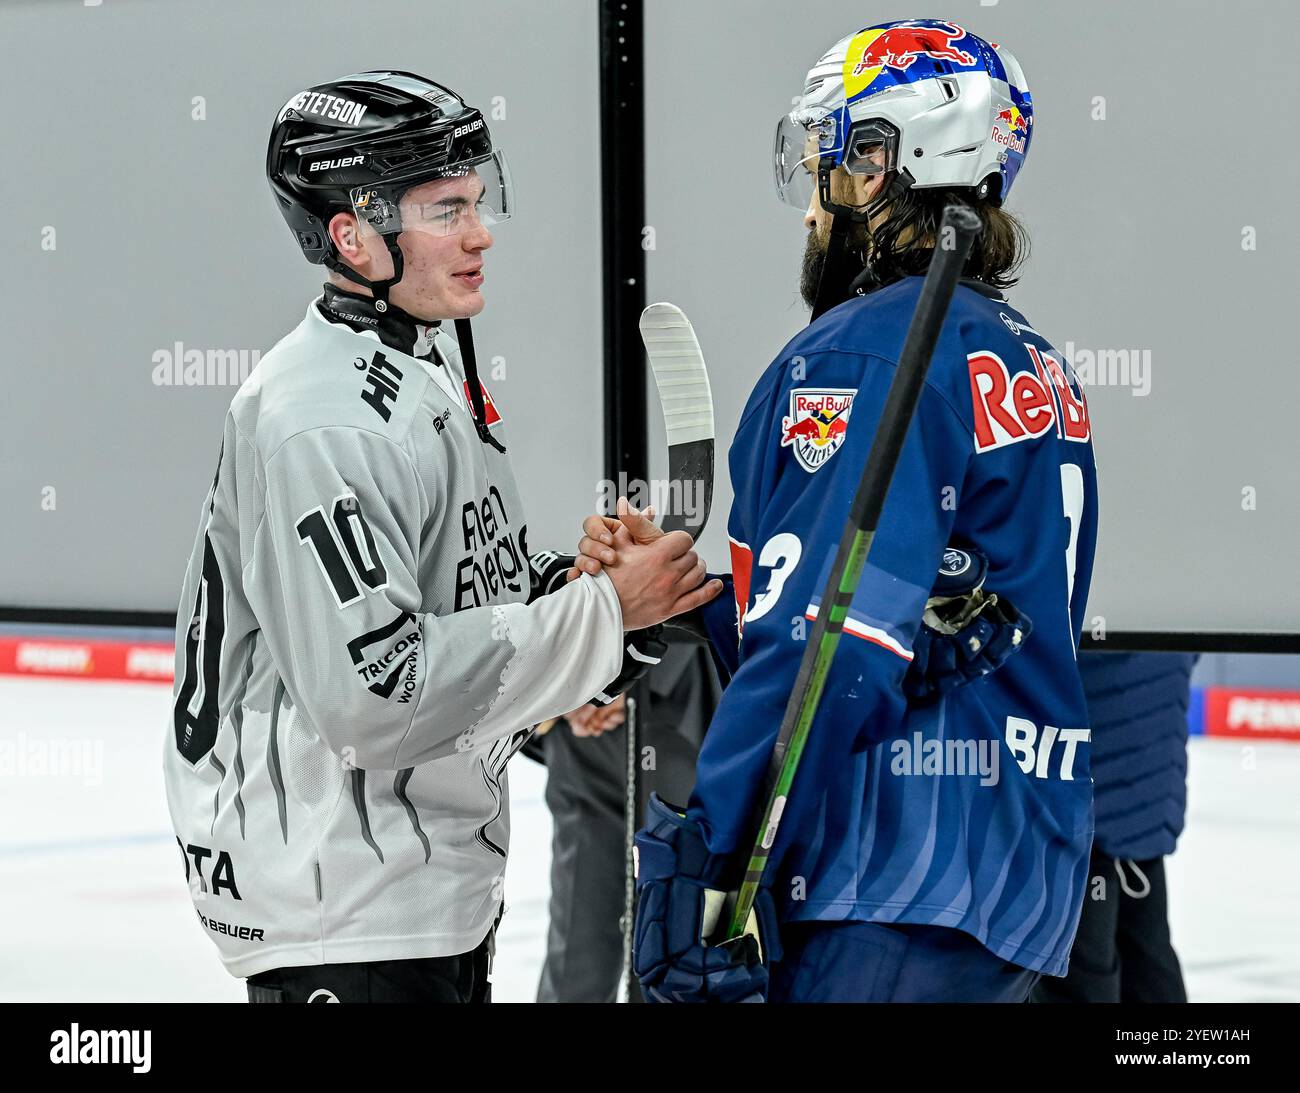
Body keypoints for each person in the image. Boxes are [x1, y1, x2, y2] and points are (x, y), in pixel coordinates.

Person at [162, 70, 718, 1003]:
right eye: (445, 209)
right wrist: (596, 617)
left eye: (478, 199)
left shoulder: (409, 374)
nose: (480, 232)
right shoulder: (323, 418)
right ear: (352, 233)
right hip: (344, 913)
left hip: (412, 893)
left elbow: (452, 608)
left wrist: (571, 600)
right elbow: (378, 691)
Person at [576, 20, 1098, 1003]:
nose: (809, 209)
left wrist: (719, 869)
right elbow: (915, 614)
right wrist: (695, 598)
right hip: (1011, 877)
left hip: (886, 872)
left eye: (824, 160)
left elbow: (838, 648)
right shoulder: (1028, 360)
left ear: (875, 164)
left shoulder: (858, 358)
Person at [534, 637, 721, 1003]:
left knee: (673, 927)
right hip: (576, 707)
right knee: (583, 930)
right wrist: (564, 687)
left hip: (672, 703)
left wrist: (616, 678)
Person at [1034, 652, 1197, 1003]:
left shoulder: (1085, 608)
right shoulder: (1184, 608)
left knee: (1078, 974)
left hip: (1079, 824)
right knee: (1147, 959)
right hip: (1142, 816)